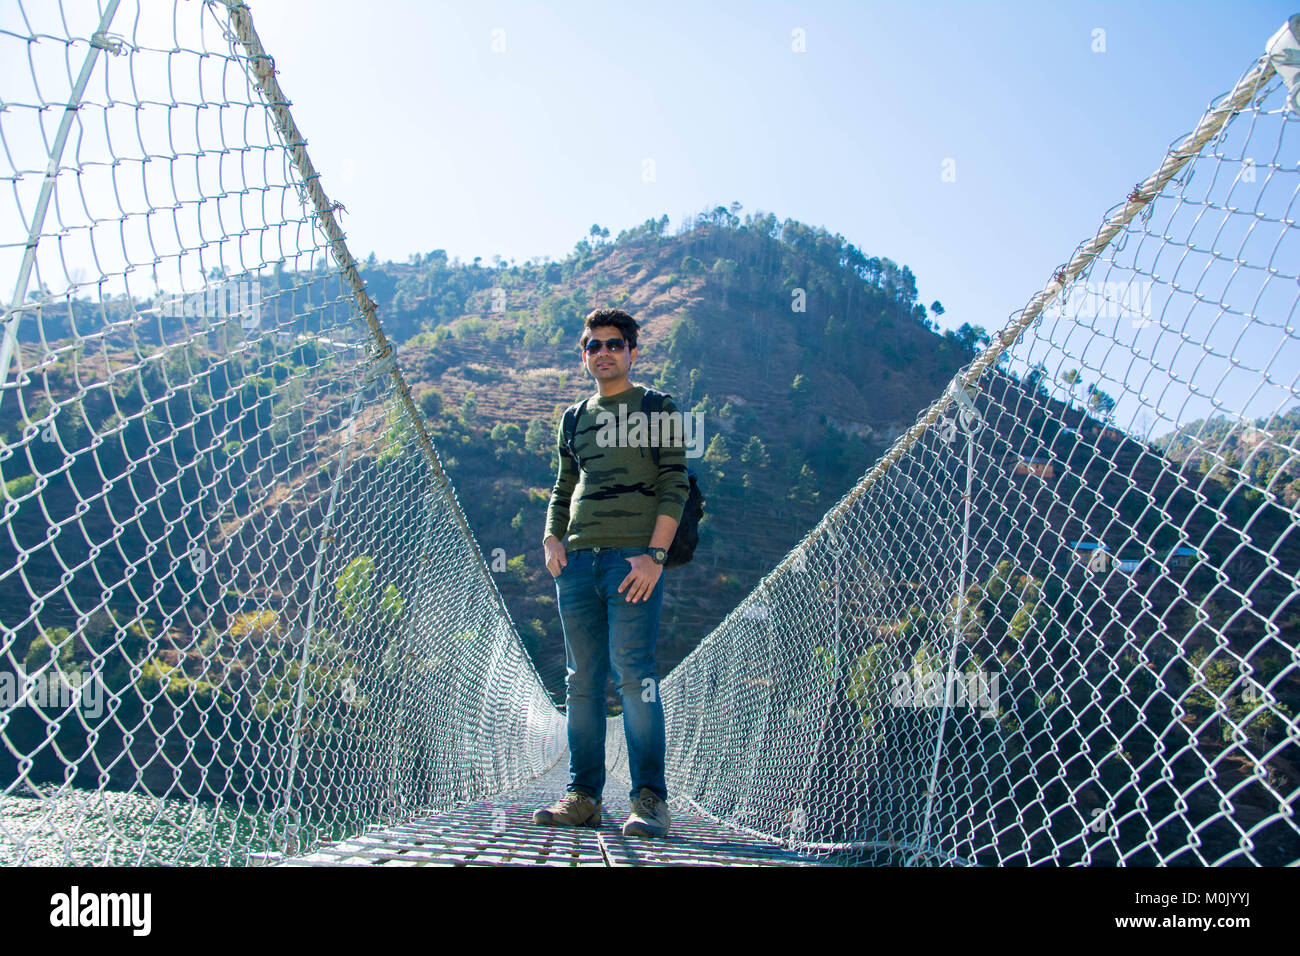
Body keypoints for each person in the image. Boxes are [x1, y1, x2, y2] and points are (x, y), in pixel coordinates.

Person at [533, 308, 689, 838]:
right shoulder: (574, 417)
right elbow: (562, 487)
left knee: (635, 677)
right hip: (576, 564)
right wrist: (552, 538)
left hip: (632, 562)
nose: (604, 352)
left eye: (614, 344)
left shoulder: (656, 407)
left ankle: (649, 799)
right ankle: (584, 797)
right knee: (581, 683)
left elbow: (676, 485)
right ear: (584, 355)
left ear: (632, 351)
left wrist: (656, 557)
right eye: (593, 345)